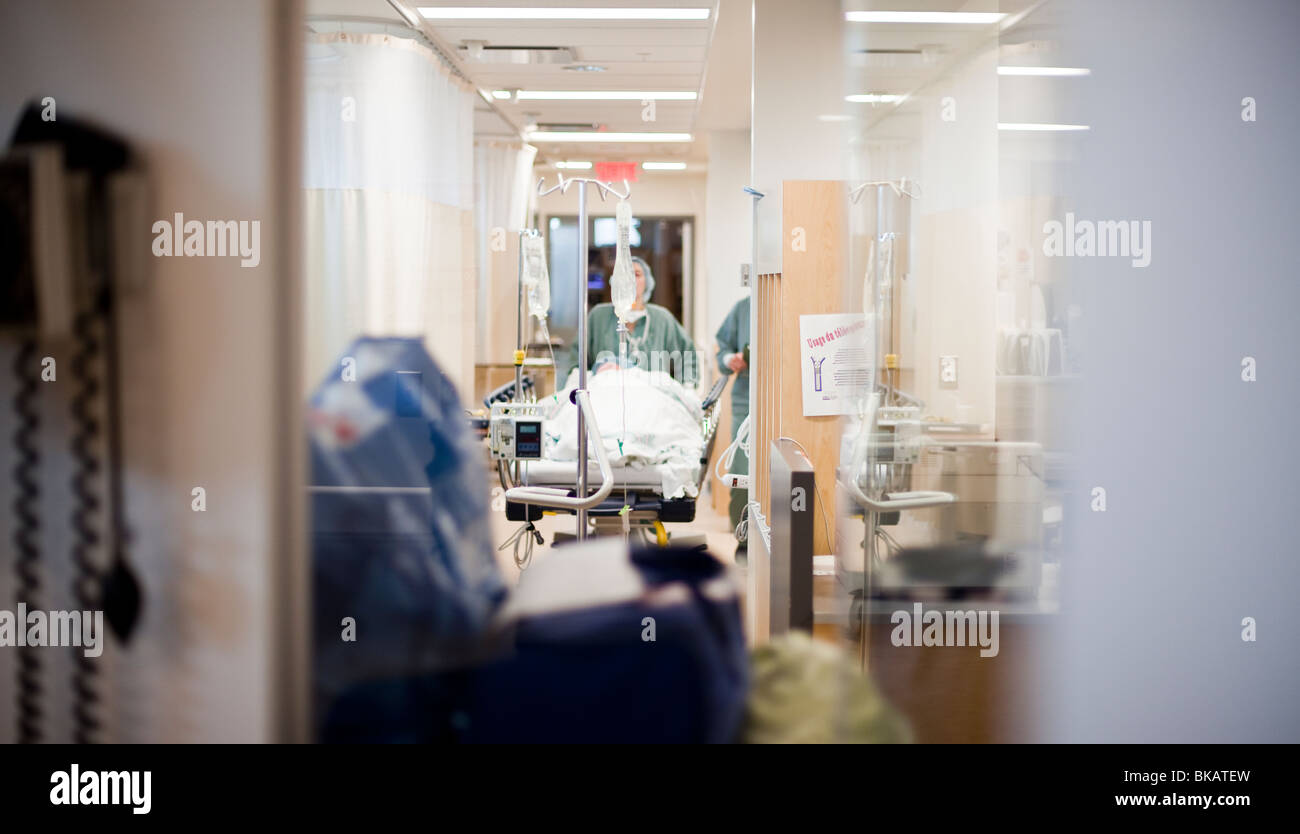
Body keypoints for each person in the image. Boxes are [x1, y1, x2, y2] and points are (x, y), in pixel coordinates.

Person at [563, 256, 698, 385]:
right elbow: (575, 362)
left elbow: (688, 355)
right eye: (624, 274)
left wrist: (687, 387)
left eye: (637, 274)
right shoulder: (598, 317)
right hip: (606, 398)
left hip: (652, 401)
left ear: (647, 282)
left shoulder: (662, 319)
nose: (630, 280)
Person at [714, 295, 750, 561]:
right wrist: (730, 359)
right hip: (746, 399)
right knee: (742, 472)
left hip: (785, 399)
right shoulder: (743, 307)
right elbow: (722, 347)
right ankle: (744, 537)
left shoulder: (795, 300)